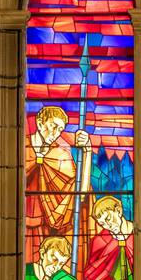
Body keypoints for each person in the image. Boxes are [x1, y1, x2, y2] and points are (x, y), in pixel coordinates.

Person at [24, 106, 91, 264]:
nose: (56, 133)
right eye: (53, 126)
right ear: (40, 123)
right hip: (18, 226)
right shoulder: (21, 148)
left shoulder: (60, 156)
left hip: (46, 230)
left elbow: (79, 193)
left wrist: (87, 152)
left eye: (60, 129)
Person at [81, 196, 134, 280]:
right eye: (102, 223)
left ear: (119, 211)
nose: (107, 225)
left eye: (108, 219)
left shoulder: (139, 236)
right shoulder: (99, 242)